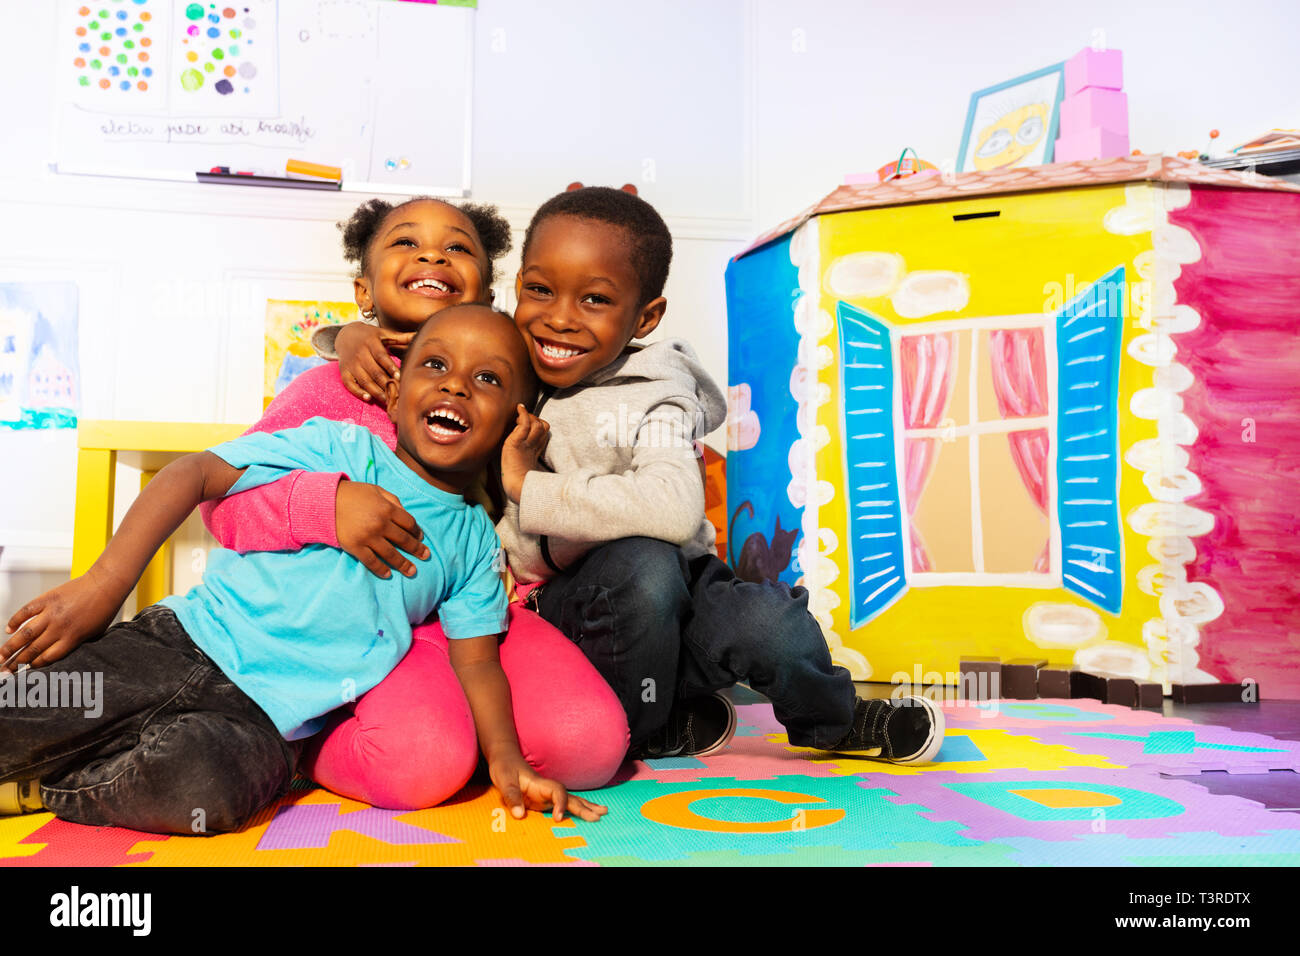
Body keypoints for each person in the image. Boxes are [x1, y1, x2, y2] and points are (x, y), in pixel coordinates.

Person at [0, 306, 608, 834]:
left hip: (270, 723)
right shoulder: (339, 446)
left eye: (486, 378)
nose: (455, 387)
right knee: (20, 710)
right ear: (394, 397)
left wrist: (508, 760)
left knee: (205, 792)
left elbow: (476, 660)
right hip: (184, 646)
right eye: (434, 366)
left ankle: (54, 788)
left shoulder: (474, 540)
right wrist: (104, 587)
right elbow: (195, 473)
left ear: (513, 424)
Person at [200, 197, 629, 809]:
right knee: (419, 765)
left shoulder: (509, 373)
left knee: (589, 749)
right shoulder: (326, 385)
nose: (433, 255)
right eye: (407, 243)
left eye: (458, 248)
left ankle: (473, 734)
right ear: (364, 289)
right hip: (349, 617)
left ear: (489, 289)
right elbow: (218, 504)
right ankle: (305, 739)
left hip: (478, 613)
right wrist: (329, 504)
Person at [492, 185, 945, 763]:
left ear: (645, 316)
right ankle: (651, 721)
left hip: (676, 594)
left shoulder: (658, 399)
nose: (558, 318)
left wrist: (525, 485)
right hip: (568, 614)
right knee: (643, 567)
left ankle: (835, 721)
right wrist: (346, 340)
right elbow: (426, 349)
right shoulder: (506, 363)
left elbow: (673, 509)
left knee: (759, 617)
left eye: (595, 300)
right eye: (539, 289)